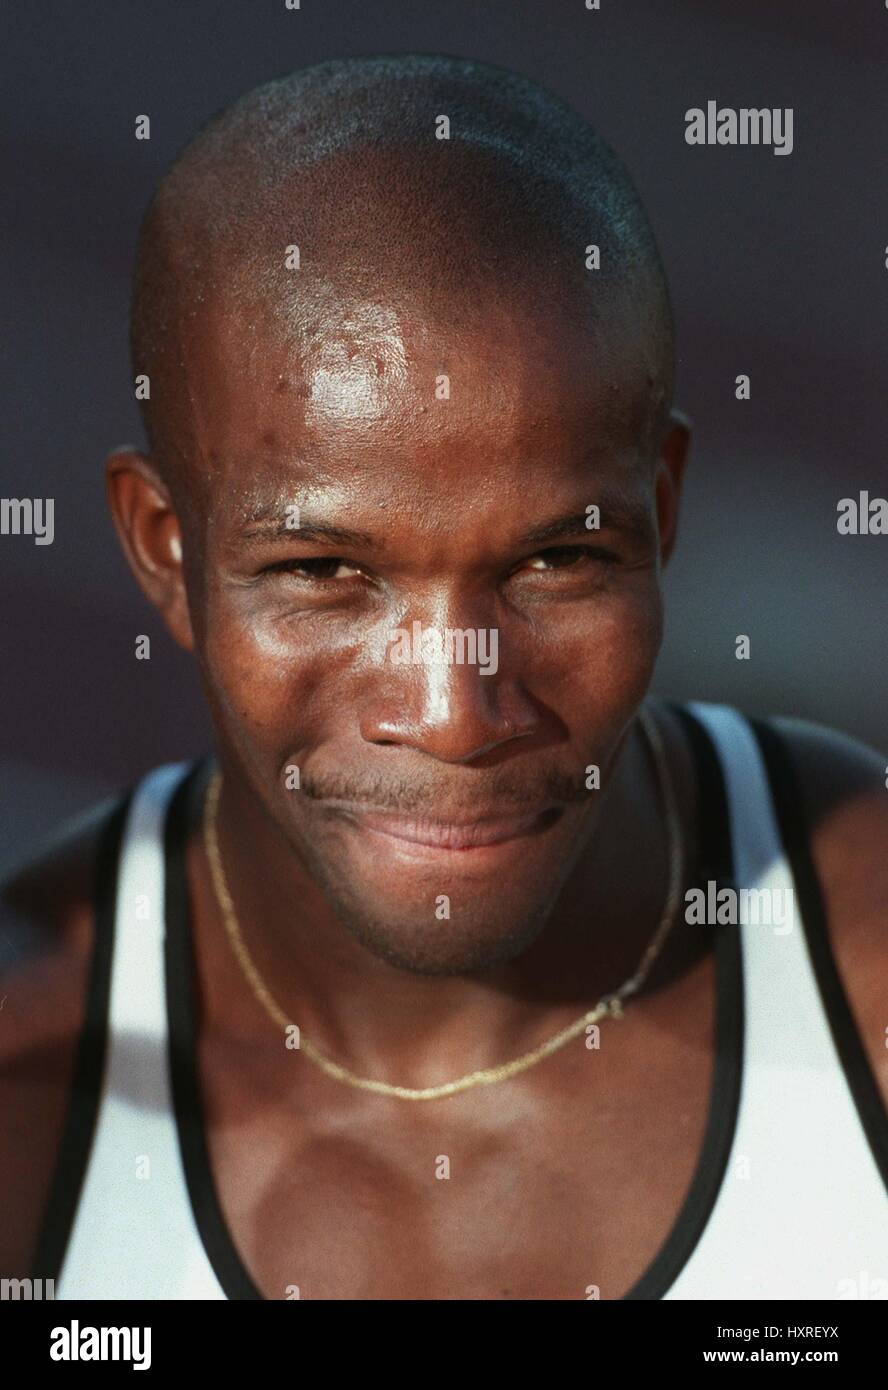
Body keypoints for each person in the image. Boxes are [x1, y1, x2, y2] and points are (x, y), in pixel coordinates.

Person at [2, 53, 886, 1302]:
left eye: (560, 558)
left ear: (664, 512)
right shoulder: (34, 1073)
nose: (453, 713)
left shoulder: (863, 961)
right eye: (322, 572)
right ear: (167, 551)